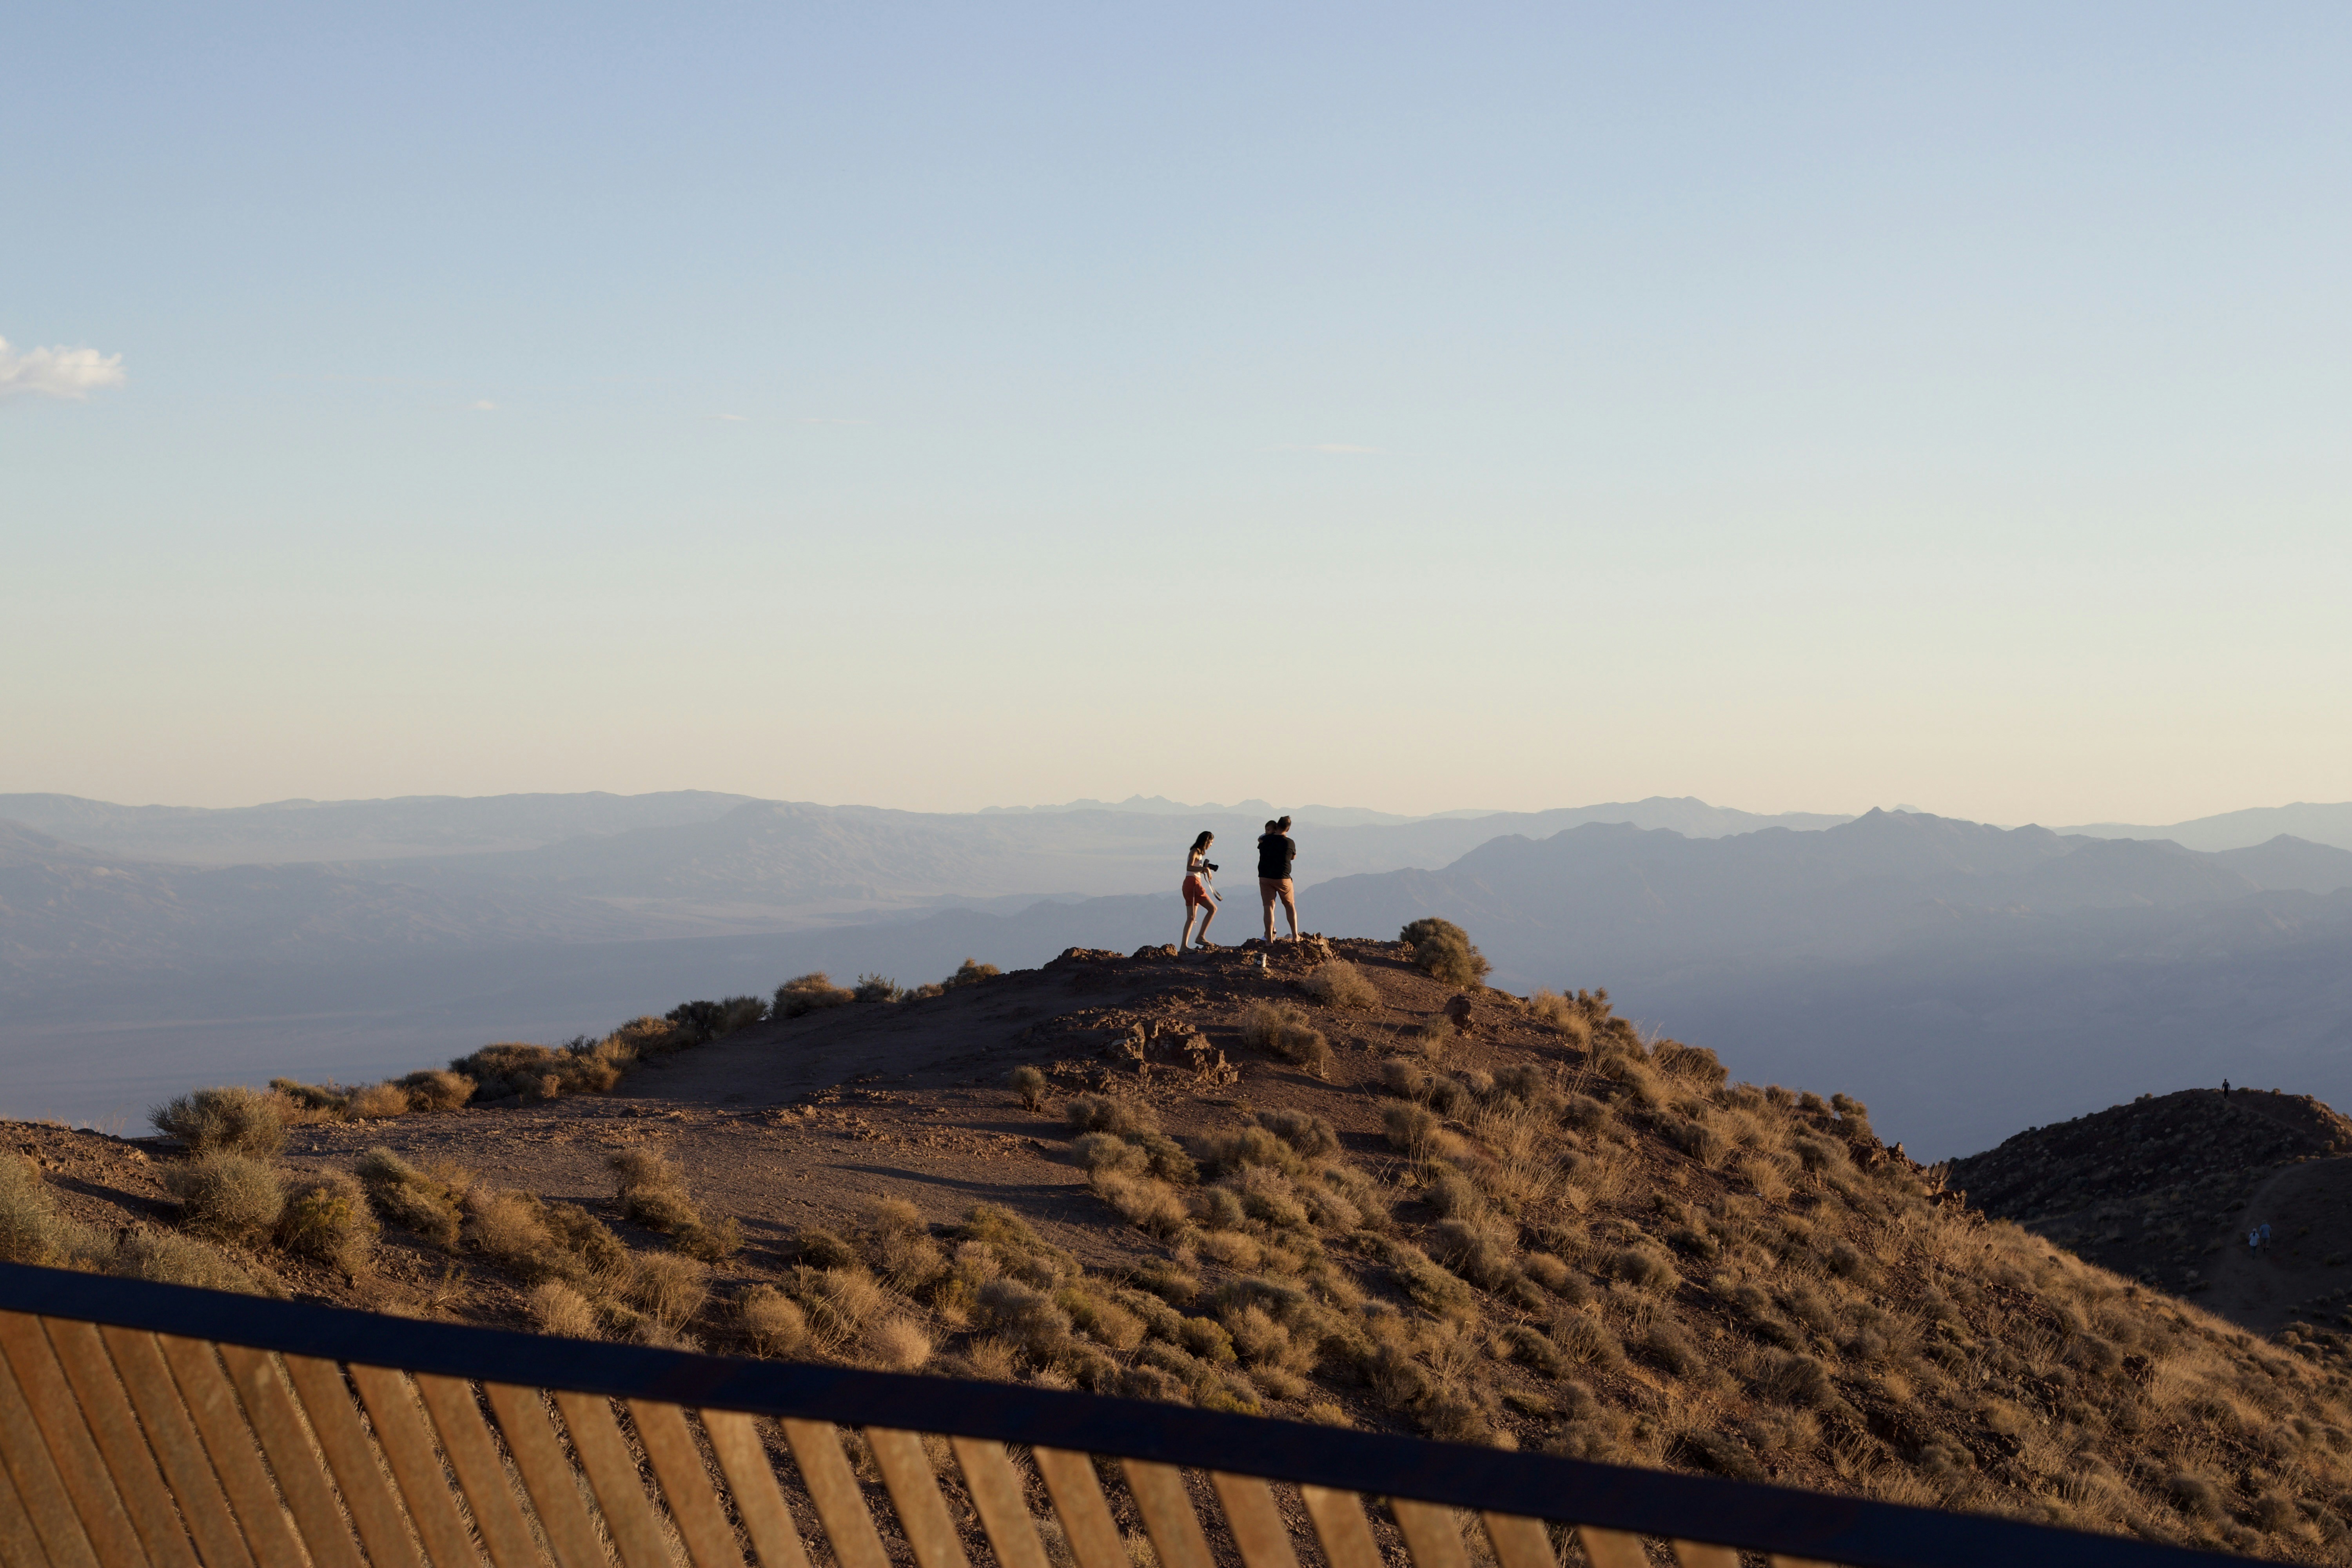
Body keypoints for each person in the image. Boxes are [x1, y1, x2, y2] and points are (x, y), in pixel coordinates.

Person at [1257, 815, 1300, 944]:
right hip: (1283, 878)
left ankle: (1269, 941)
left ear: (1277, 826)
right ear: (1288, 828)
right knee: (1290, 905)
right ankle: (1295, 937)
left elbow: (1261, 846)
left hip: (1264, 876)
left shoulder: (1265, 840)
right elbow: (1293, 857)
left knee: (1268, 907)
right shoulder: (1290, 842)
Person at [1180, 831, 1220, 950]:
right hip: (1193, 884)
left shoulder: (1199, 853)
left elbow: (1194, 868)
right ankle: (1200, 937)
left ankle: (1184, 947)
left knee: (1192, 917)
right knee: (1213, 909)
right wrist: (1204, 869)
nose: (1211, 845)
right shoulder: (1195, 851)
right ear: (1206, 841)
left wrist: (1205, 869)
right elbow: (1189, 867)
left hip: (1191, 883)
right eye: (1211, 842)